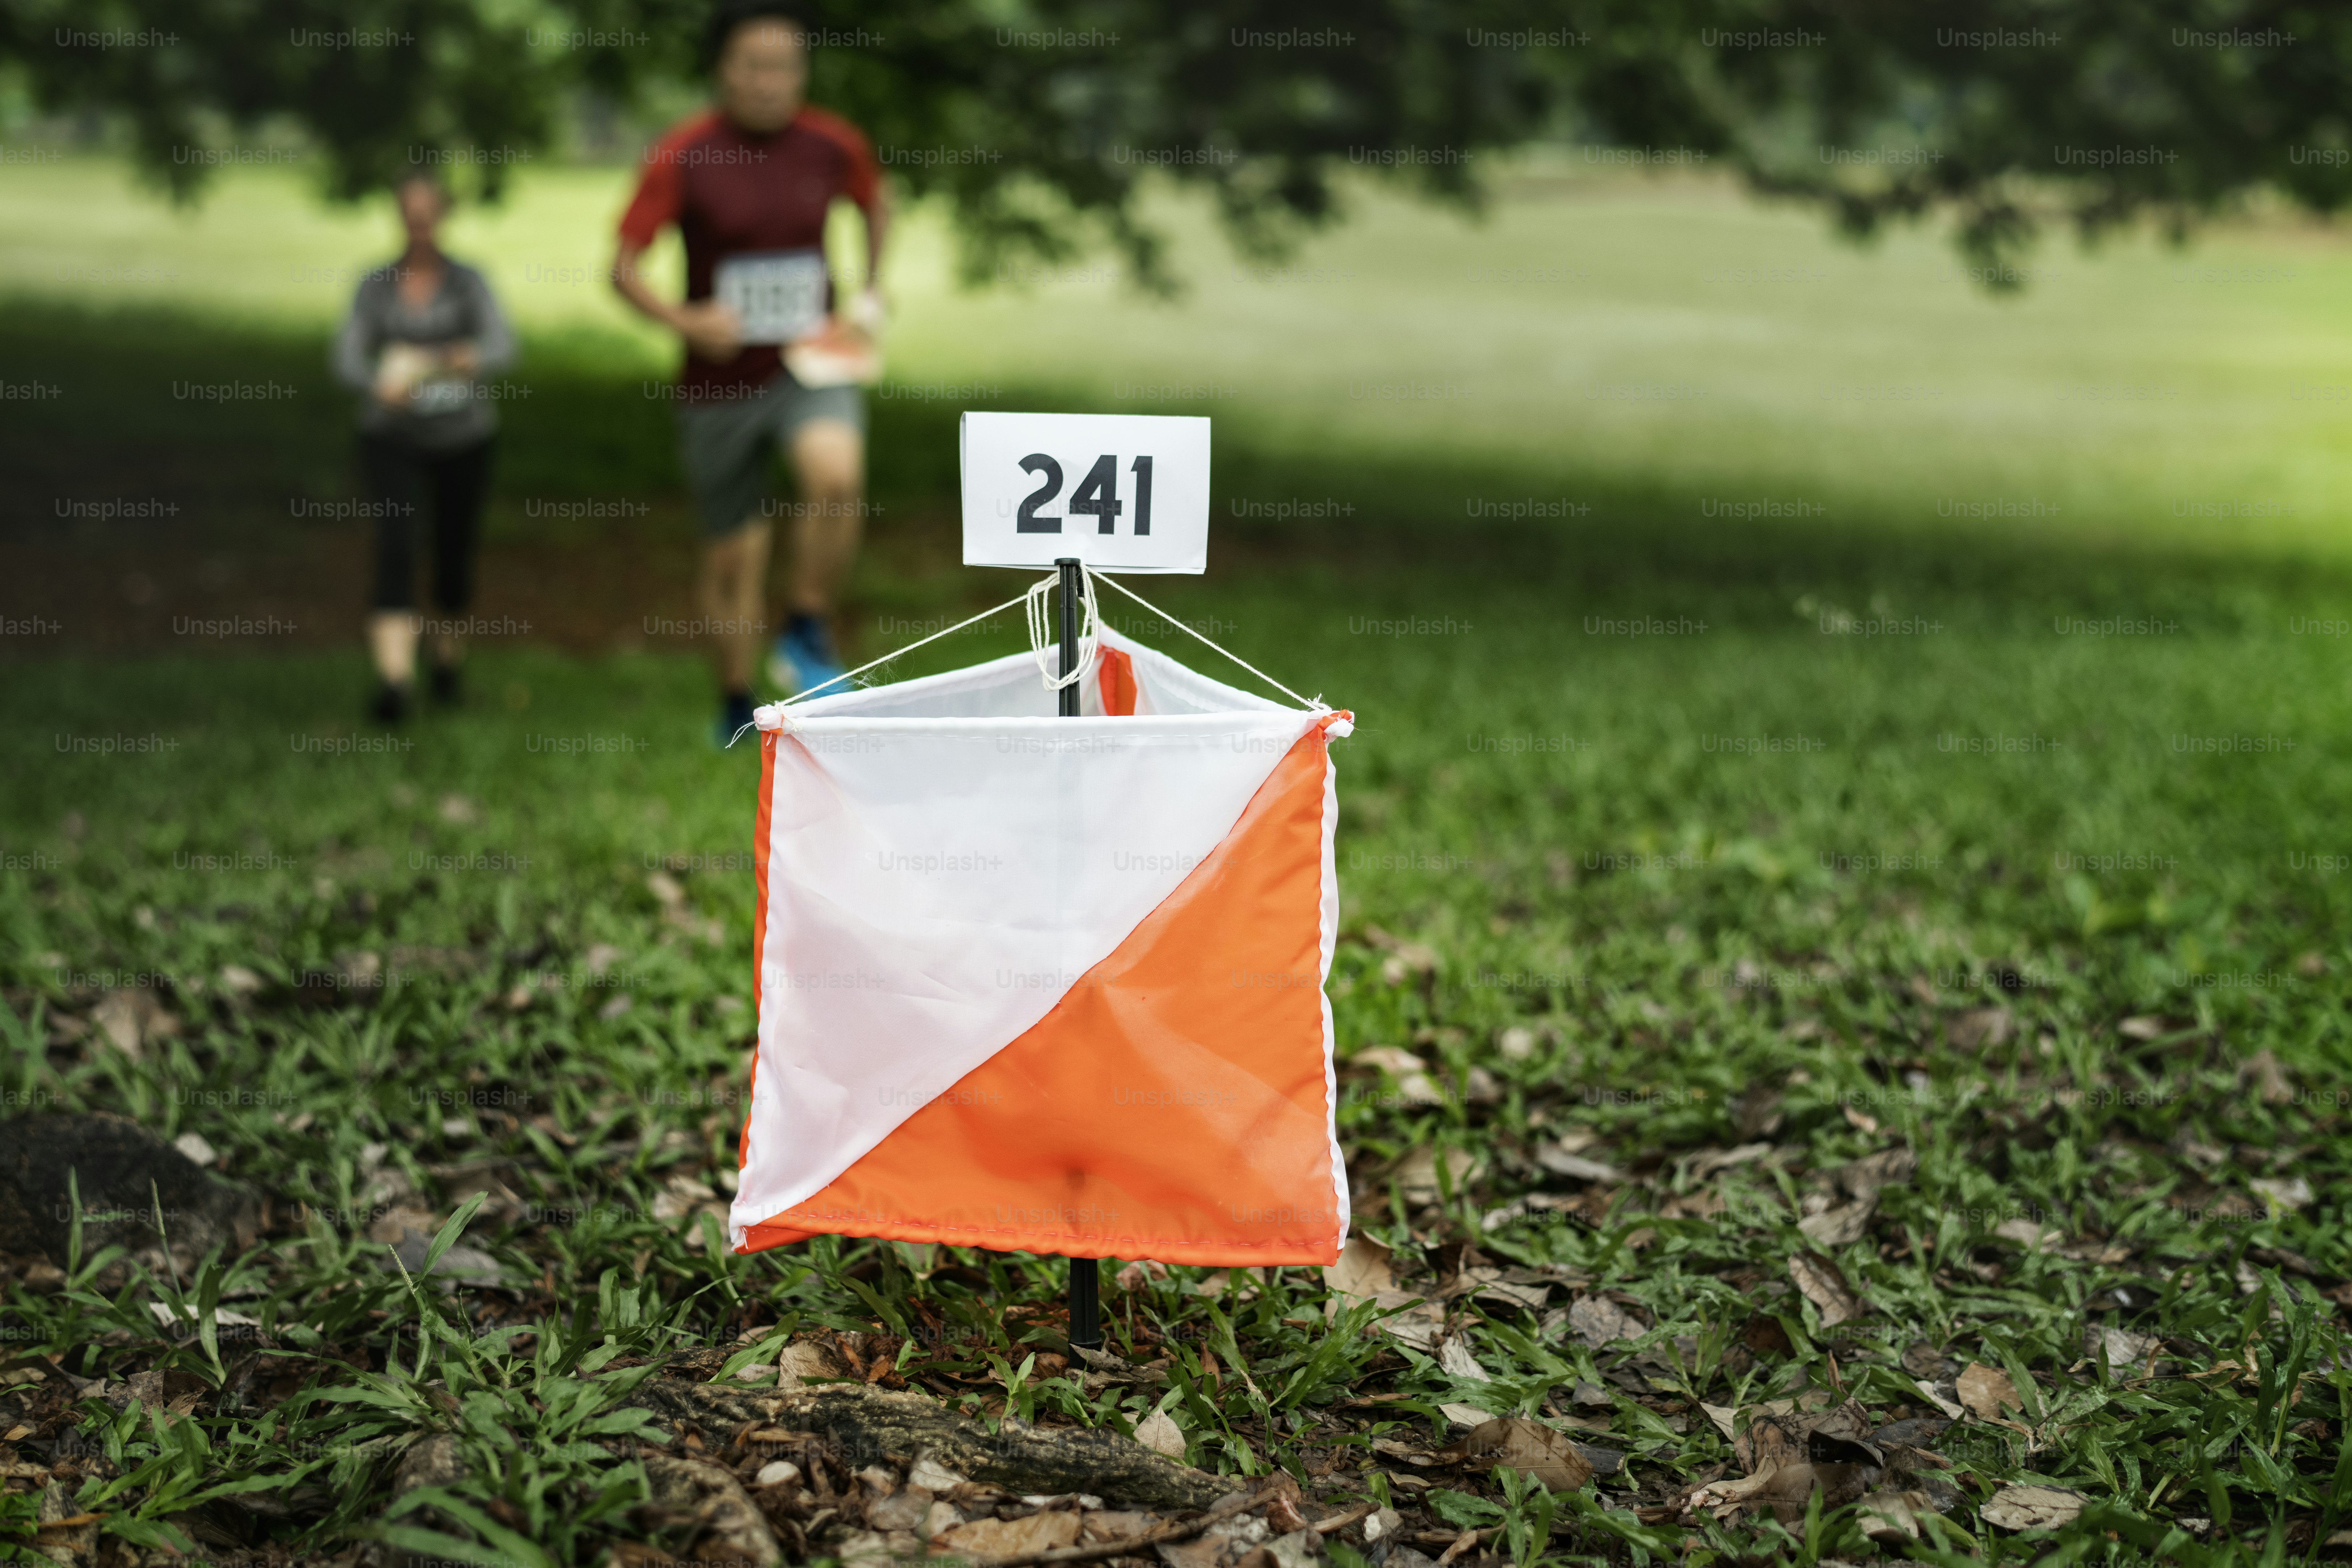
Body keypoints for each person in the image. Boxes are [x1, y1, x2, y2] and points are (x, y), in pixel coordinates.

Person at [610, 0, 886, 741]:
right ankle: (737, 700)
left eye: (785, 66)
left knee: (836, 476)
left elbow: (874, 203)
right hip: (718, 382)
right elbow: (624, 267)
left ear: (803, 72)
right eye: (753, 65)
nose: (769, 82)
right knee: (733, 552)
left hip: (809, 361)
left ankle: (804, 627)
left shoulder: (832, 144)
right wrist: (685, 320)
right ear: (723, 70)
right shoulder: (686, 152)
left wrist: (867, 292)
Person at [333, 172, 516, 722]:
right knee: (395, 545)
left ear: (443, 217)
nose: (419, 225)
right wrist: (377, 384)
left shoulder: (468, 283)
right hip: (391, 436)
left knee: (452, 551)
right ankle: (395, 679)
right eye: (409, 214)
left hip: (463, 437)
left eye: (427, 214)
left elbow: (504, 345)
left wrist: (464, 357)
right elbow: (344, 357)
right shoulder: (375, 285)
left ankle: (445, 655)